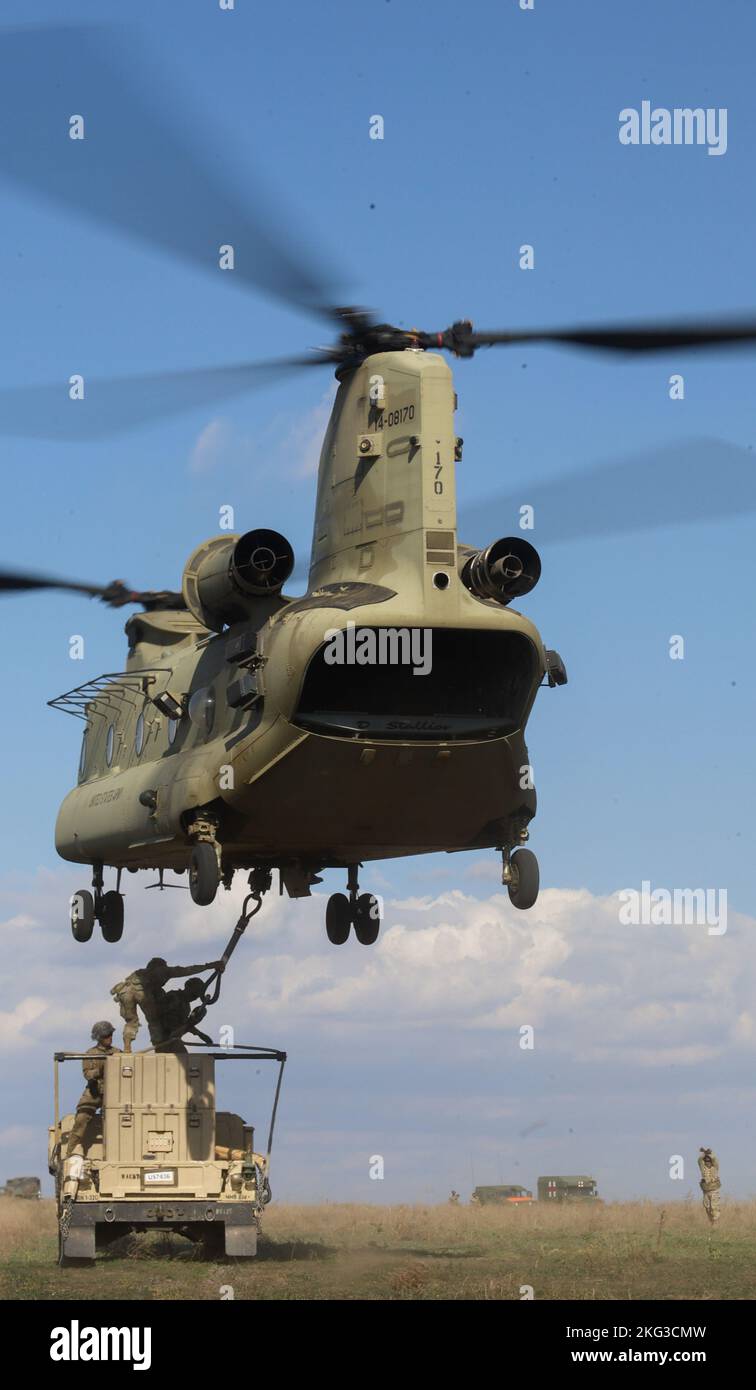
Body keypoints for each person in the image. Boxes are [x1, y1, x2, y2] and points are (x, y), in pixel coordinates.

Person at [111, 955, 224, 1051]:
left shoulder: (180, 1002)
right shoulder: (166, 978)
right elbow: (186, 970)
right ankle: (158, 1043)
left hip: (124, 991)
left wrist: (199, 1033)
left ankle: (127, 1048)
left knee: (132, 1021)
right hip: (140, 993)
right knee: (154, 1020)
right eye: (194, 994)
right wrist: (209, 966)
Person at [66, 1021, 119, 1156]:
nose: (110, 1038)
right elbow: (87, 1074)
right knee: (81, 1118)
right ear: (99, 1037)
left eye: (111, 1034)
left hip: (115, 1091)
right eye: (106, 1035)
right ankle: (69, 1153)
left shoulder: (118, 1053)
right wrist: (99, 1070)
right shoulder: (90, 1053)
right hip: (94, 1091)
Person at [698, 1147, 721, 1224]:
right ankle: (711, 1221)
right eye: (706, 1161)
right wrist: (704, 1153)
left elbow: (715, 1159)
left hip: (714, 1190)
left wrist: (709, 1153)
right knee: (707, 1207)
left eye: (709, 1161)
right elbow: (699, 1160)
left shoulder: (715, 1168)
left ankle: (715, 1221)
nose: (707, 1162)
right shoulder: (703, 1169)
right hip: (706, 1191)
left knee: (714, 1207)